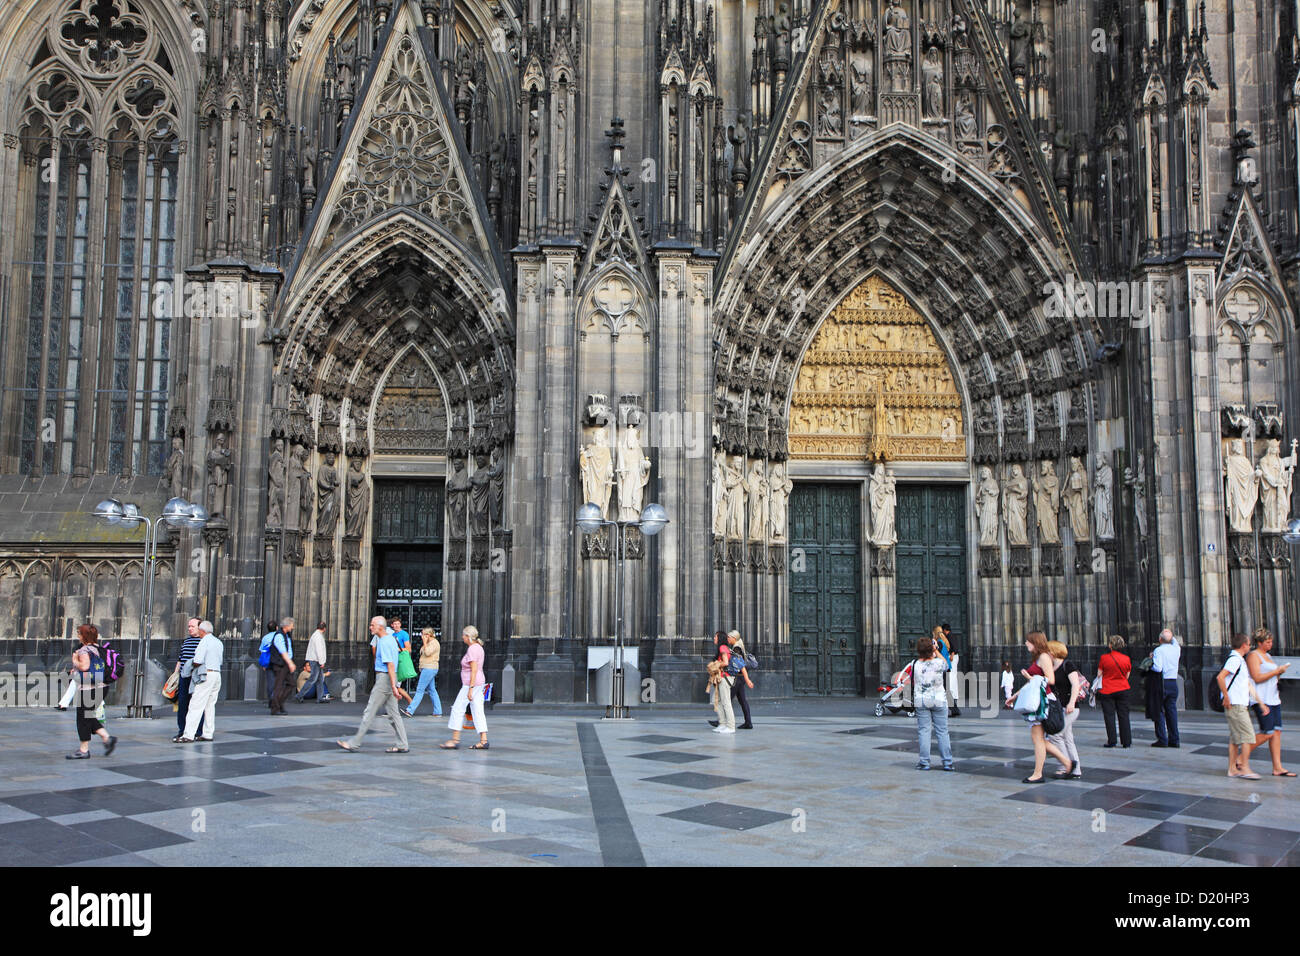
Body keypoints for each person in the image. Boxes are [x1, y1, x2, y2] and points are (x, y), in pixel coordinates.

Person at [1004, 631, 1072, 783]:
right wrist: (1015, 696)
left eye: (1028, 641)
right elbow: (1032, 684)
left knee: (1038, 739)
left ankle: (1038, 774)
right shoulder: (1039, 658)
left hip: (1043, 701)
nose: (1026, 644)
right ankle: (1066, 762)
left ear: (1035, 642)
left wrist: (1029, 677)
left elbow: (1051, 680)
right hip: (1038, 700)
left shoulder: (1044, 657)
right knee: (1039, 739)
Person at [338, 617, 410, 753]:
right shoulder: (389, 640)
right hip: (387, 679)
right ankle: (403, 744)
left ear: (380, 627)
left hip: (384, 680)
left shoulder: (384, 642)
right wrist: (394, 685)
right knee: (394, 714)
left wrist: (394, 687)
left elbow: (390, 665)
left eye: (372, 625)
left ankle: (354, 743)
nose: (370, 627)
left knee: (370, 710)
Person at [1217, 632, 1267, 780]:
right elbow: (1221, 677)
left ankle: (1232, 769)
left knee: (1235, 739)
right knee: (1248, 736)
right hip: (1236, 704)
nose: (1250, 646)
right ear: (1244, 645)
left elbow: (1247, 684)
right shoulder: (1235, 660)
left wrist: (1261, 703)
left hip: (1239, 703)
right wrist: (1226, 696)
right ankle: (1244, 767)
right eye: (1249, 644)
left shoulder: (1240, 660)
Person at [1245, 628, 1293, 777]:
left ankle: (1277, 767)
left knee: (1276, 732)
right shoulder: (1253, 656)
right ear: (1259, 643)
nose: (1270, 644)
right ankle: (1240, 757)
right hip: (1261, 699)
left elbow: (1270, 677)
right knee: (1267, 732)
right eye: (1267, 642)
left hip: (1273, 698)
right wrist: (1276, 671)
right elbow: (1257, 677)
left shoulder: (1268, 656)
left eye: (1271, 641)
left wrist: (1278, 674)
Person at [67, 625, 116, 760]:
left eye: (79, 633)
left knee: (82, 718)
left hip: (90, 688)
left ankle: (84, 750)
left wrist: (75, 660)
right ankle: (107, 737)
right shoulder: (99, 649)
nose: (78, 636)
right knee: (87, 715)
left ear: (84, 635)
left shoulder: (84, 650)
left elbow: (85, 666)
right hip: (102, 686)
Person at [910, 636, 953, 771]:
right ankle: (947, 762)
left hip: (921, 700)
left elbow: (912, 680)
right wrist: (936, 650)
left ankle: (924, 762)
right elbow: (947, 665)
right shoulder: (939, 663)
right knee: (942, 731)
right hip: (939, 699)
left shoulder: (915, 664)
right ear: (931, 648)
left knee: (924, 731)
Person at [442, 626, 489, 750]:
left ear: (468, 636)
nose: (462, 637)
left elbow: (473, 669)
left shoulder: (473, 649)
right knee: (478, 710)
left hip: (470, 684)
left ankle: (455, 740)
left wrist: (470, 688)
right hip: (479, 682)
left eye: (463, 635)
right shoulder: (479, 647)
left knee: (458, 709)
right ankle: (484, 740)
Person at [179, 621, 223, 742]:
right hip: (217, 674)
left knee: (196, 705)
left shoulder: (204, 641)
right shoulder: (218, 642)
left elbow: (198, 660)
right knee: (210, 705)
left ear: (202, 631)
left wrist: (191, 664)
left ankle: (188, 735)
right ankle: (208, 733)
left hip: (206, 674)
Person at [1046, 640, 1083, 779]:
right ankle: (1076, 769)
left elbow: (1075, 685)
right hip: (1058, 708)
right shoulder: (1051, 668)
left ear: (1053, 651)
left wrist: (1072, 702)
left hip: (1070, 708)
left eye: (1047, 651)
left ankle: (1065, 766)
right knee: (1068, 738)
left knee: (1055, 735)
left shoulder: (1068, 665)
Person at [171, 618, 205, 742]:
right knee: (182, 704)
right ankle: (182, 730)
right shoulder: (186, 641)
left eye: (192, 626)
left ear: (199, 628)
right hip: (183, 677)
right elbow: (180, 659)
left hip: (195, 677)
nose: (189, 628)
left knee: (196, 704)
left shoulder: (203, 641)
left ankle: (197, 731)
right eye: (189, 626)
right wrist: (175, 675)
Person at [1096, 634, 1133, 748]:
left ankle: (1112, 741)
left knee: (1109, 716)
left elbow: (1099, 674)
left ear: (1111, 645)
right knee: (1124, 716)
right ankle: (1126, 742)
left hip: (1107, 689)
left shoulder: (1104, 658)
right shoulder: (1126, 659)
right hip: (1123, 688)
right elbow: (1127, 675)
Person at [1150, 628, 1181, 747]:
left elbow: (1158, 668)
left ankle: (1162, 739)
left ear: (1159, 639)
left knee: (1159, 710)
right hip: (1173, 683)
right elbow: (1175, 642)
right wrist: (1169, 634)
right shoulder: (1176, 649)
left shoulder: (1159, 650)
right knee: (1171, 711)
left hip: (1162, 683)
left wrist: (1151, 661)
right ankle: (1174, 739)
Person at [405, 626, 443, 717]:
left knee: (419, 690)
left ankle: (410, 710)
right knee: (432, 690)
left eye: (423, 634)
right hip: (428, 668)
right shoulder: (430, 642)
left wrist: (425, 642)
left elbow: (427, 653)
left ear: (428, 635)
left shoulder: (434, 643)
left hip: (429, 668)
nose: (421, 636)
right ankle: (438, 711)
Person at [706, 631, 736, 732]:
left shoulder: (722, 647)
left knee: (725, 702)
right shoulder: (724, 647)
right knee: (719, 701)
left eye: (715, 636)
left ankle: (731, 726)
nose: (714, 638)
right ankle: (722, 724)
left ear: (720, 638)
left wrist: (716, 664)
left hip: (724, 677)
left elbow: (726, 662)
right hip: (722, 678)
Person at [295, 621, 331, 703]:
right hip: (316, 660)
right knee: (313, 679)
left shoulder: (316, 635)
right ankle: (299, 695)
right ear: (324, 628)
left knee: (320, 679)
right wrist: (322, 662)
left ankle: (320, 697)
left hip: (315, 660)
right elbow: (319, 650)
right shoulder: (318, 636)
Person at [267, 617, 296, 715]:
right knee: (278, 686)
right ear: (287, 626)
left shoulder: (286, 635)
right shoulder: (279, 636)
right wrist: (290, 663)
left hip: (285, 664)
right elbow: (283, 651)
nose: (293, 627)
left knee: (291, 683)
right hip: (280, 664)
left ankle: (279, 703)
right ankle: (275, 708)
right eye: (292, 625)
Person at [726, 630, 755, 729]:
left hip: (738, 678)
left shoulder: (737, 648)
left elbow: (740, 665)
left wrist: (747, 680)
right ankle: (748, 722)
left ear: (734, 638)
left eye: (729, 637)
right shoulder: (738, 647)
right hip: (740, 678)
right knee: (742, 700)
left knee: (727, 699)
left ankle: (722, 721)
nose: (727, 639)